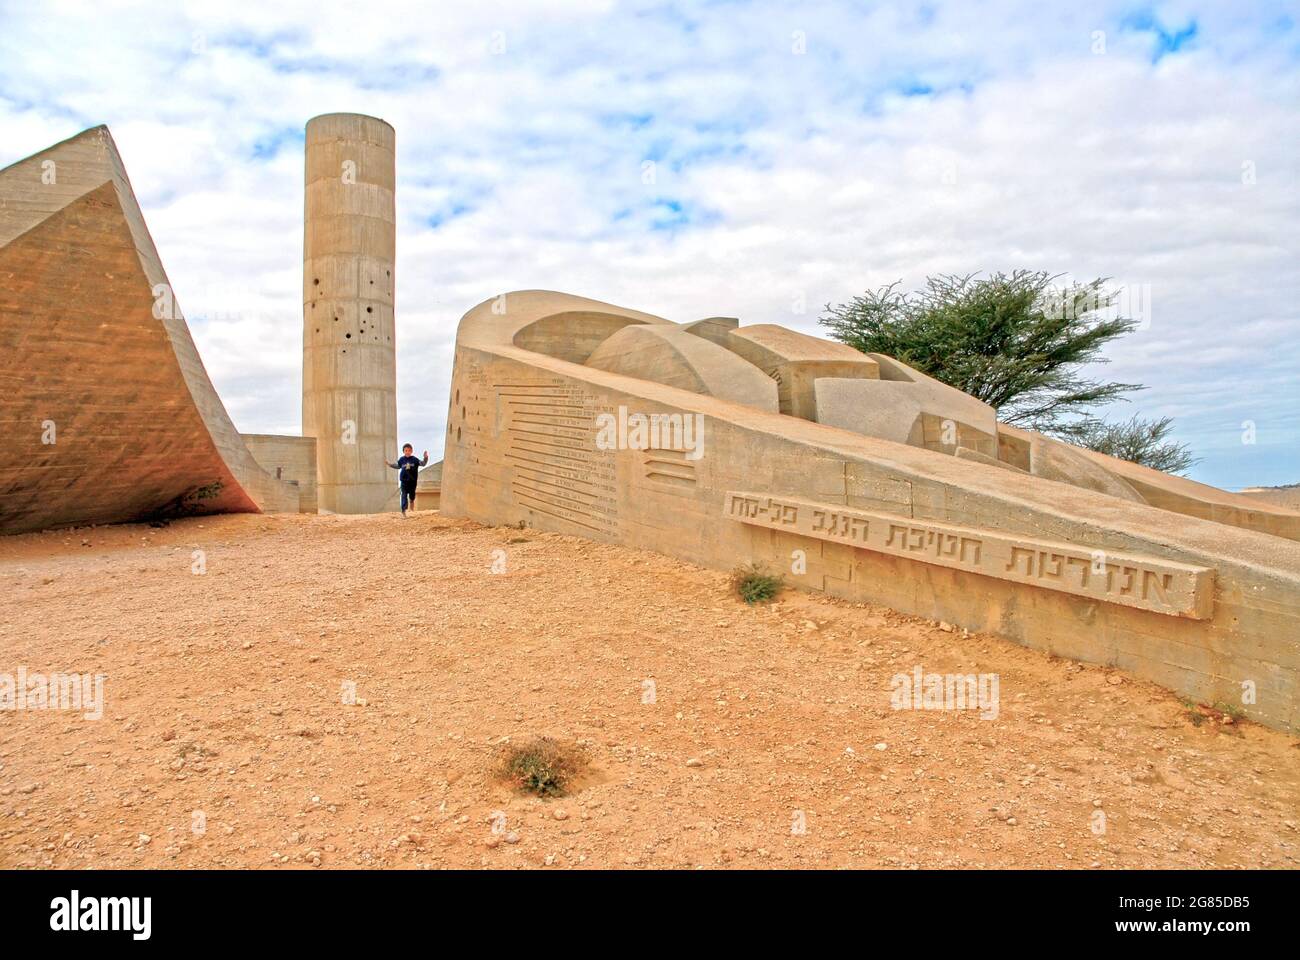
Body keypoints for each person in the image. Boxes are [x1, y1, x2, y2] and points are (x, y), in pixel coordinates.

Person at [386, 444, 429, 516]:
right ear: (403, 451)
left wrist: (425, 458)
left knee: (412, 495)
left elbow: (423, 464)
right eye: (406, 450)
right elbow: (398, 466)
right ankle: (404, 510)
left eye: (409, 450)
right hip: (404, 481)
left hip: (412, 481)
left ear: (411, 451)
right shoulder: (401, 460)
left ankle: (411, 501)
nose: (407, 452)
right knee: (404, 495)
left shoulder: (415, 459)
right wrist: (390, 464)